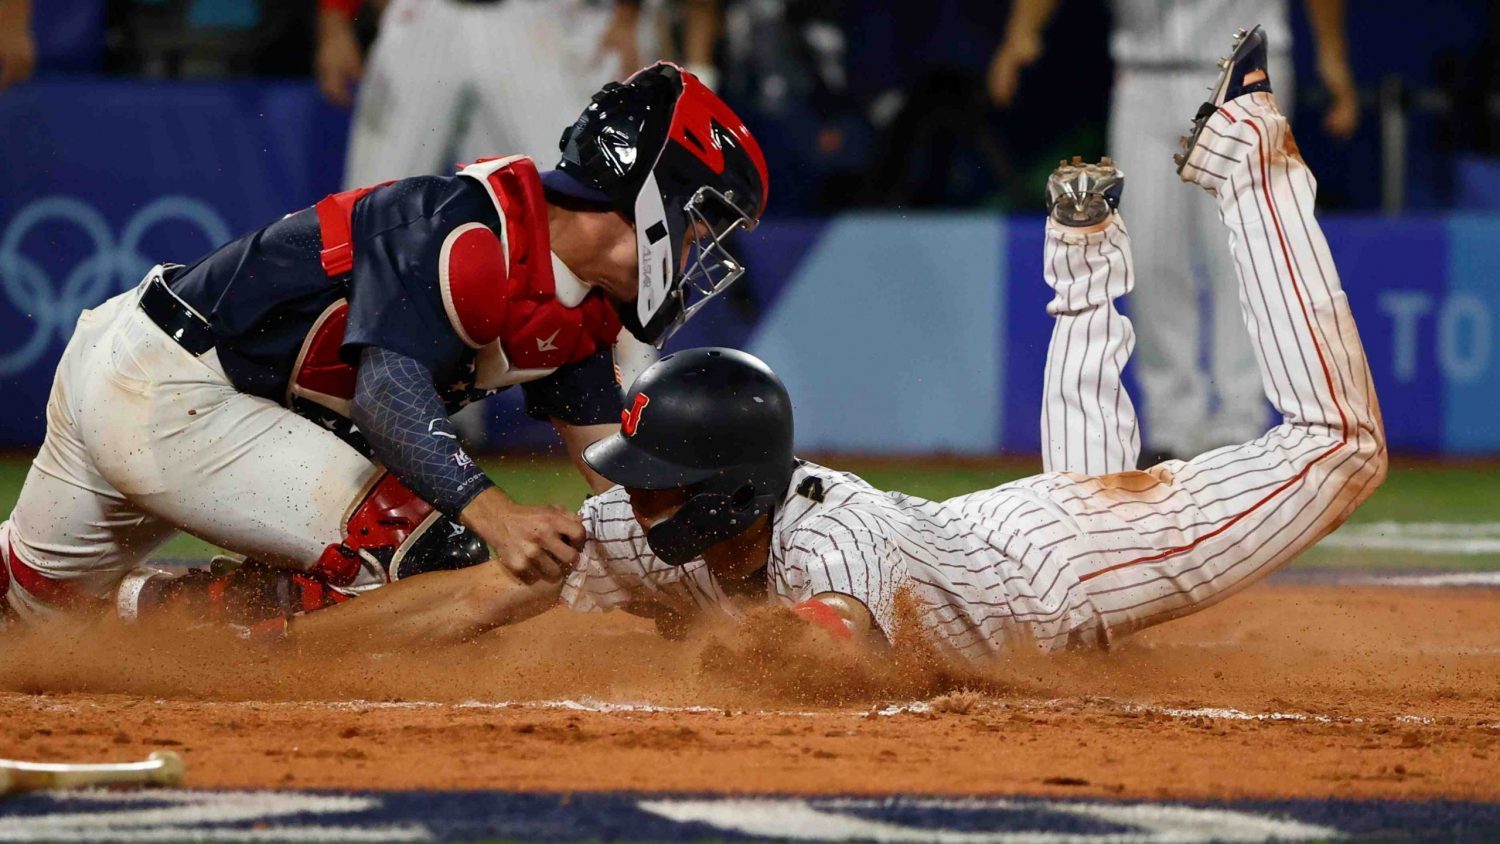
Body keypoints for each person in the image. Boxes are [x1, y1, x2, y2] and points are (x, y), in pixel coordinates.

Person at [266, 27, 1386, 658]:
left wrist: (729, 653)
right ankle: (1085, 252)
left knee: (1340, 448)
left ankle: (1247, 150)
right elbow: (482, 593)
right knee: (1087, 481)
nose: (629, 494)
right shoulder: (662, 526)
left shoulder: (830, 541)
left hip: (1051, 573)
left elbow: (834, 643)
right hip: (983, 541)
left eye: (657, 483)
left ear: (722, 496)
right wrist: (303, 648)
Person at [0, 64, 770, 625]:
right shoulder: (464, 231)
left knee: (32, 611)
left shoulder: (575, 304)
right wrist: (497, 517)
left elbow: (615, 474)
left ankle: (152, 604)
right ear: (646, 192)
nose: (702, 249)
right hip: (172, 391)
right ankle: (222, 635)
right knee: (429, 554)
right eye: (699, 220)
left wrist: (709, 580)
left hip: (153, 362)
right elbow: (385, 397)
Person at [990, 0, 1358, 465]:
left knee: (1242, 253)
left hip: (1244, 72)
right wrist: (1021, 31)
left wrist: (1332, 55)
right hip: (1142, 74)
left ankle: (1240, 426)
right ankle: (1171, 425)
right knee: (1149, 254)